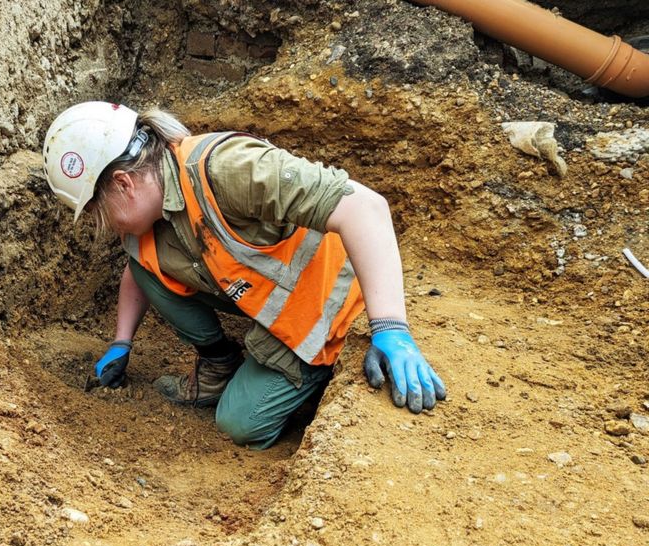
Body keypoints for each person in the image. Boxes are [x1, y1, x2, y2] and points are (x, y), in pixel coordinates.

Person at [42, 101, 447, 450]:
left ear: (124, 183)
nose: (106, 226)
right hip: (276, 308)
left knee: (239, 424)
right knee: (144, 266)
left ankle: (314, 384)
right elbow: (142, 270)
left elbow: (365, 208)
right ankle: (220, 367)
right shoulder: (155, 213)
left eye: (98, 213)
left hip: (329, 309)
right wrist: (120, 342)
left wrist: (389, 326)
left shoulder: (226, 168)